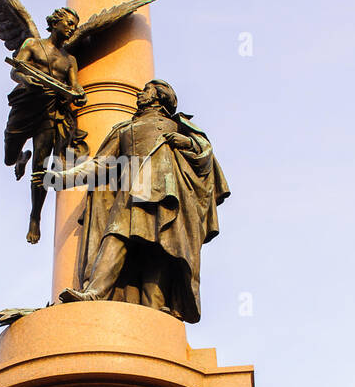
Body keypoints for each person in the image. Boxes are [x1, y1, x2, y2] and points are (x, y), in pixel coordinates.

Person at [58, 80, 228, 323]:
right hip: (132, 191)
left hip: (170, 193)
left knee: (161, 249)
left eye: (147, 90)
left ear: (160, 96)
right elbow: (100, 163)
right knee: (115, 235)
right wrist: (61, 178)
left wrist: (187, 142)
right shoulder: (124, 129)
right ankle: (94, 293)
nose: (140, 93)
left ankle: (155, 309)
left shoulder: (181, 126)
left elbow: (206, 156)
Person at [4, 6, 87, 244]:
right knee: (9, 158)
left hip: (49, 113)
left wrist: (79, 95)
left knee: (40, 169)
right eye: (68, 23)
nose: (71, 28)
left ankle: (35, 217)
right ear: (55, 22)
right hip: (26, 105)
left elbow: (75, 86)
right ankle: (20, 157)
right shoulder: (32, 44)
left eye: (74, 25)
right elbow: (15, 70)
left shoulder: (69, 60)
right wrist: (26, 79)